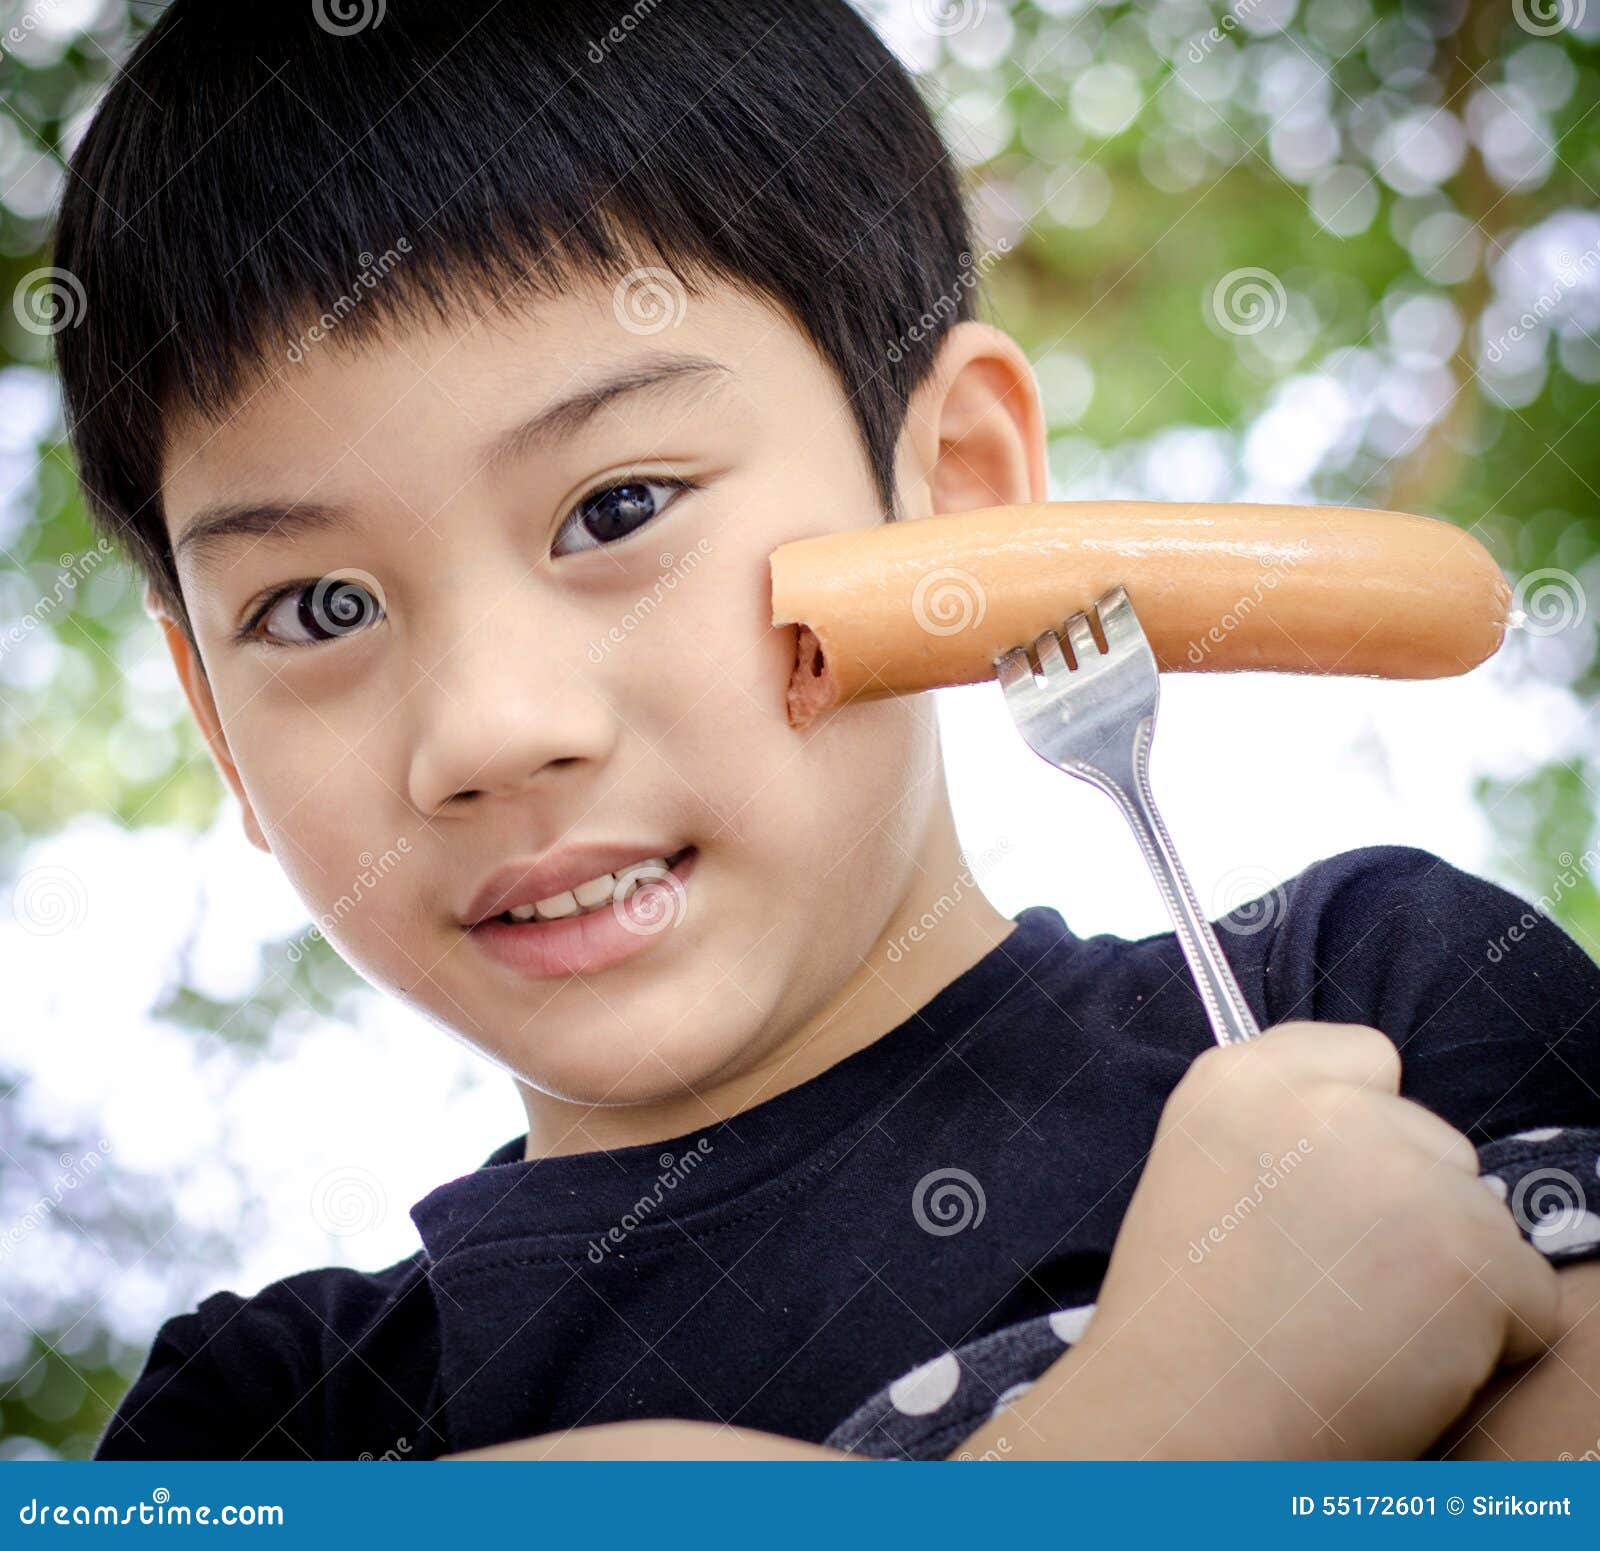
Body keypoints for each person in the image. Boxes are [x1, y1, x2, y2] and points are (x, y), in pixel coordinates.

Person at [50, 0, 1599, 1462]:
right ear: (217, 725)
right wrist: (1166, 1422)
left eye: (618, 508)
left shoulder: (1383, 997)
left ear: (956, 488)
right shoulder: (272, 1422)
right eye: (318, 609)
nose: (490, 731)